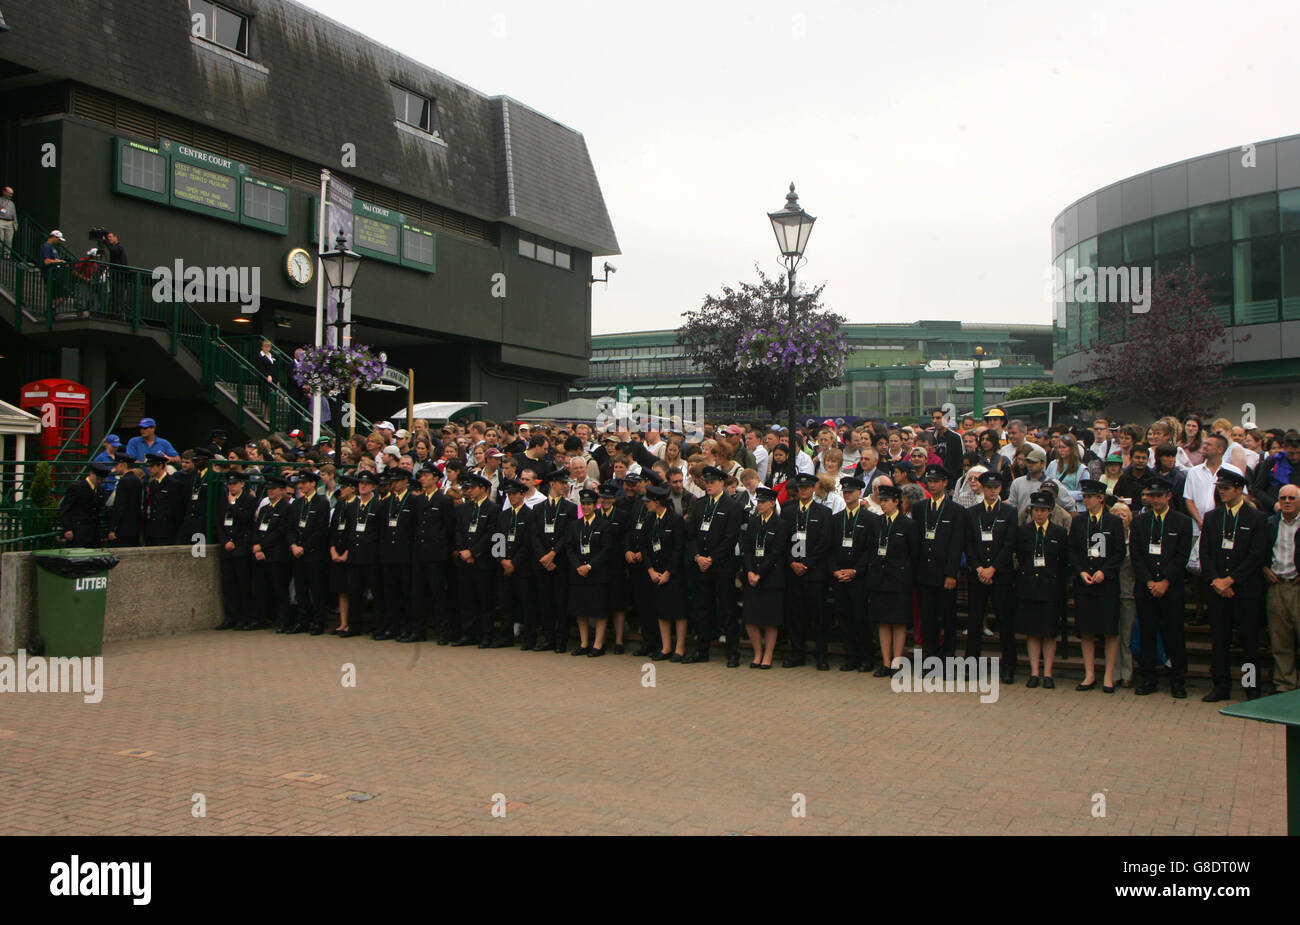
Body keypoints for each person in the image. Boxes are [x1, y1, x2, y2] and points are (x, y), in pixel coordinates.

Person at [1199, 465, 1268, 702]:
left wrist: (1232, 579)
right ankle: (1221, 685)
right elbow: (1205, 552)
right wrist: (1217, 580)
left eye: (1226, 489)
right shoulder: (1212, 517)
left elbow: (1256, 554)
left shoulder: (1256, 518)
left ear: (1239, 489)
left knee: (1248, 641)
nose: (1222, 493)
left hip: (1245, 589)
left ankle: (1250, 686)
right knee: (1219, 640)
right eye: (1219, 489)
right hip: (1218, 589)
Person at [1067, 479, 1126, 692]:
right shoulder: (1080, 521)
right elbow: (1072, 549)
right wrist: (1081, 571)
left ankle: (1109, 676)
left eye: (1090, 497)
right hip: (1085, 582)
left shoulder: (1113, 522)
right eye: (1084, 496)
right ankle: (1089, 674)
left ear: (1100, 498)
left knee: (1109, 630)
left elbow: (1119, 551)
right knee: (1086, 630)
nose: (1086, 500)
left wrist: (1105, 571)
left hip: (1106, 583)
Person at [684, 465, 743, 666]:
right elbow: (691, 535)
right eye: (706, 482)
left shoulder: (732, 506)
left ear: (721, 483)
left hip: (722, 565)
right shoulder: (699, 505)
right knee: (702, 608)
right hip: (701, 564)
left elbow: (730, 537)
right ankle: (702, 649)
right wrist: (698, 557)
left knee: (727, 608)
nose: (708, 485)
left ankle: (732, 652)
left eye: (712, 482)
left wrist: (712, 559)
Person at [964, 470, 1019, 682]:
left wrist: (993, 568)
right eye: (989, 488)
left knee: (1005, 621)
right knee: (975, 620)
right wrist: (979, 568)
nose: (993, 491)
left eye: (996, 488)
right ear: (983, 488)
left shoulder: (1009, 512)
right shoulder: (972, 512)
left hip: (1000, 574)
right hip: (977, 574)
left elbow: (1009, 544)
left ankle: (1008, 666)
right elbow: (968, 543)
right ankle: (971, 665)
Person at [780, 472, 833, 670]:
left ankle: (821, 655)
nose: (803, 491)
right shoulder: (788, 511)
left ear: (813, 489)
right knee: (795, 615)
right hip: (793, 571)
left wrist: (808, 564)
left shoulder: (823, 512)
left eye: (807, 488)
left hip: (814, 572)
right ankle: (797, 653)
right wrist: (792, 562)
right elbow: (783, 540)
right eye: (800, 488)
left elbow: (824, 542)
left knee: (818, 615)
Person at [1016, 491, 1068, 688]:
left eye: (1043, 510)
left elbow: (1063, 561)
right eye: (1036, 510)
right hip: (1029, 586)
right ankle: (1034, 672)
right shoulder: (1024, 531)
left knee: (1049, 631)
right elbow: (1021, 557)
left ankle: (1048, 673)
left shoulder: (1059, 533)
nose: (1039, 514)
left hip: (1050, 587)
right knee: (1032, 631)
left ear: (1050, 512)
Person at [916, 466, 966, 666]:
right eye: (931, 481)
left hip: (945, 573)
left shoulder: (956, 510)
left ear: (945, 483)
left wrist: (951, 573)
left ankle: (948, 658)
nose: (933, 484)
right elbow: (917, 541)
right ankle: (932, 658)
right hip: (925, 573)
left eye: (937, 481)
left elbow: (957, 544)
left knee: (948, 618)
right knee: (928, 619)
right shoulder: (921, 508)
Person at [867, 483, 918, 676]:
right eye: (881, 500)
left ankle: (897, 662)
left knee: (898, 622)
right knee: (882, 621)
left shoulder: (907, 525)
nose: (883, 504)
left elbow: (913, 553)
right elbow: (871, 548)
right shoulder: (877, 523)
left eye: (887, 501)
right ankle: (886, 662)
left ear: (897, 502)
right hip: (879, 578)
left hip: (899, 579)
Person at [830, 475, 876, 672]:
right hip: (840, 576)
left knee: (861, 618)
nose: (847, 495)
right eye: (845, 491)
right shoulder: (836, 519)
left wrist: (855, 570)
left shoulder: (870, 519)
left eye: (851, 492)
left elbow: (870, 549)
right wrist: (835, 570)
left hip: (859, 577)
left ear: (859, 493)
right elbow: (829, 548)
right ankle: (851, 656)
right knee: (844, 617)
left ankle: (866, 657)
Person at [531, 469, 577, 651]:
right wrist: (543, 555)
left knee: (561, 602)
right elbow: (534, 534)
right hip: (542, 563)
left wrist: (553, 554)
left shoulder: (570, 508)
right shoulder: (538, 508)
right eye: (561, 483)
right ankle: (548, 637)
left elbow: (568, 536)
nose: (565, 486)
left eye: (566, 483)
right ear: (552, 484)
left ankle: (561, 639)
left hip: (560, 562)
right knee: (545, 601)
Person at [743, 485, 787, 668]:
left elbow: (776, 552)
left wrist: (760, 574)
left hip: (771, 577)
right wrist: (750, 572)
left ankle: (768, 655)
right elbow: (747, 550)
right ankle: (757, 652)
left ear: (771, 503)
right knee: (751, 618)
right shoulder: (753, 522)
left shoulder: (780, 524)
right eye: (758, 501)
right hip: (753, 575)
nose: (759, 505)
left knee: (770, 620)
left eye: (762, 502)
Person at [642, 483, 688, 661]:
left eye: (649, 501)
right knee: (662, 611)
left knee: (678, 611)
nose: (647, 504)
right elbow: (645, 547)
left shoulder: (675, 520)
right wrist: (651, 570)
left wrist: (668, 572)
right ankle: (666, 646)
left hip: (673, 574)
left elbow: (678, 548)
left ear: (657, 502)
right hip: (656, 572)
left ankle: (679, 648)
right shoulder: (650, 519)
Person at [565, 488, 612, 656]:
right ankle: (584, 643)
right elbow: (569, 548)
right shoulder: (574, 525)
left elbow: (606, 550)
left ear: (595, 506)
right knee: (581, 609)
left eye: (589, 504)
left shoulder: (604, 525)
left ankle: (598, 644)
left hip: (597, 574)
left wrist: (590, 566)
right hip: (578, 573)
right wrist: (578, 565)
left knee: (598, 609)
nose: (585, 507)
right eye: (583, 504)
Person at [1264, 484, 1300, 693]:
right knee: (1280, 640)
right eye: (1283, 498)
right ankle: (1285, 685)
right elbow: (1260, 549)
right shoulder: (1270, 523)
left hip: (1297, 587)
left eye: (1292, 498)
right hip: (1276, 586)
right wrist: (1263, 569)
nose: (1287, 501)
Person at [286, 470, 330, 635]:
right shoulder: (297, 504)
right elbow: (290, 527)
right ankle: (302, 620)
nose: (301, 485)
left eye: (304, 483)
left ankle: (318, 621)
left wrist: (304, 547)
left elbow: (320, 530)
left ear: (313, 484)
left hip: (313, 553)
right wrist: (293, 545)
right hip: (297, 552)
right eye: (300, 483)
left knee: (316, 588)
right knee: (300, 588)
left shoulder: (321, 503)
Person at [376, 467, 418, 641]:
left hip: (405, 554)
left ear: (405, 481)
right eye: (392, 481)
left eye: (397, 480)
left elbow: (415, 528)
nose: (394, 484)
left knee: (407, 594)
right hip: (389, 553)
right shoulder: (386, 503)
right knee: (390, 593)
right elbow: (381, 528)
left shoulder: (413, 502)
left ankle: (407, 627)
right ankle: (390, 626)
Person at [495, 478, 537, 648]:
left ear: (522, 494)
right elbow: (496, 539)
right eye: (509, 494)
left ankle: (529, 638)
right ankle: (506, 637)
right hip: (505, 567)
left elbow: (528, 543)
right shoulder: (503, 515)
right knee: (505, 603)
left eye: (514, 494)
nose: (511, 497)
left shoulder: (530, 514)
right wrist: (502, 560)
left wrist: (514, 562)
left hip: (522, 568)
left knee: (526, 604)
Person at [215, 471, 257, 630]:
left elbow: (246, 520)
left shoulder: (248, 500)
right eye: (230, 484)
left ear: (242, 484)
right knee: (228, 584)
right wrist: (225, 541)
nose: (231, 487)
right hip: (227, 548)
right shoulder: (224, 500)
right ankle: (230, 616)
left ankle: (244, 616)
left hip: (241, 547)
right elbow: (219, 522)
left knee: (242, 584)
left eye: (234, 484)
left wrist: (233, 505)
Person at [344, 471, 383, 638]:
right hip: (354, 555)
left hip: (371, 556)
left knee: (376, 592)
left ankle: (378, 626)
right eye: (360, 483)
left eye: (366, 484)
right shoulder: (352, 506)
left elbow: (380, 532)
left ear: (373, 486)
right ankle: (353, 626)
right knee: (353, 591)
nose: (362, 486)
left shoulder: (378, 506)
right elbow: (349, 530)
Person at [251, 475, 292, 631]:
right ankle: (260, 618)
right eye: (269, 489)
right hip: (260, 554)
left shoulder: (286, 508)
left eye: (274, 489)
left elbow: (280, 532)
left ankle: (283, 620)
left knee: (279, 589)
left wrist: (262, 546)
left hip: (276, 554)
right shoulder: (265, 508)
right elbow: (257, 529)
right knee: (261, 589)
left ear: (281, 491)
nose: (270, 492)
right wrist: (256, 546)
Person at [60, 463, 108, 546]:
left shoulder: (100, 490)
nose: (99, 482)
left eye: (101, 479)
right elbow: (65, 509)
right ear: (91, 474)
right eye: (98, 479)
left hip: (93, 531)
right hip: (78, 530)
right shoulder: (77, 488)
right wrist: (68, 528)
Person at [142, 453, 183, 546]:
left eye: (152, 466)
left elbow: (177, 509)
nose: (149, 469)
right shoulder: (152, 484)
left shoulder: (173, 484)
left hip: (166, 530)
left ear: (160, 466)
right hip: (152, 530)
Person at [106, 453, 142, 547]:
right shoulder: (136, 480)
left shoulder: (124, 481)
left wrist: (113, 528)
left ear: (124, 465)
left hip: (122, 528)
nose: (116, 467)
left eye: (117, 464)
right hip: (134, 527)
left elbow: (119, 505)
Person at [0, 186, 15, 253]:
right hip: (1, 220)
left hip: (10, 223)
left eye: (11, 194)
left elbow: (14, 214)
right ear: (4, 192)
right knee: (1, 239)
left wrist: (15, 223)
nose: (11, 195)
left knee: (9, 240)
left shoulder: (12, 203)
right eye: (9, 193)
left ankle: (7, 256)